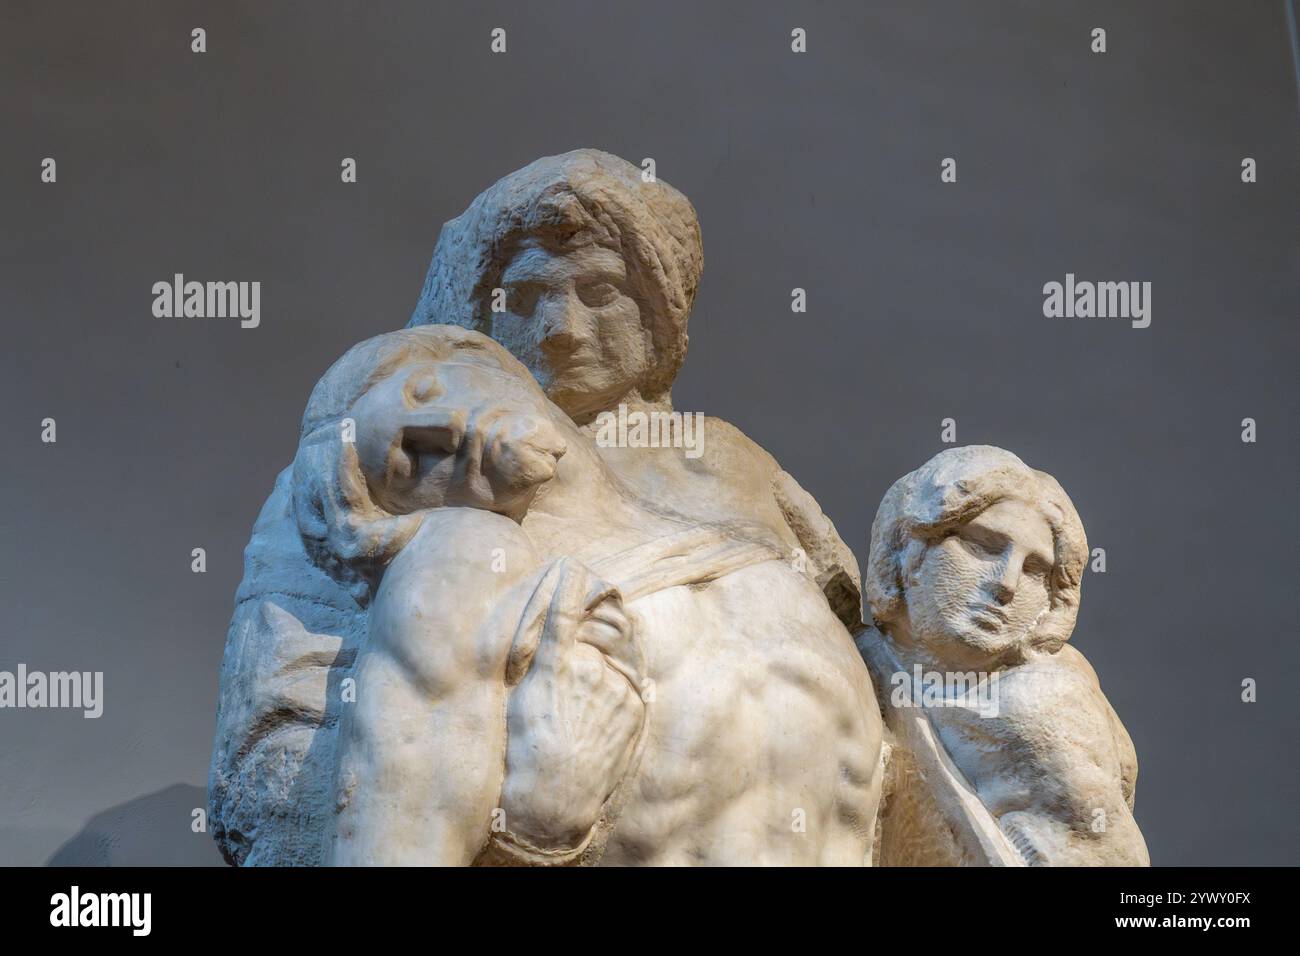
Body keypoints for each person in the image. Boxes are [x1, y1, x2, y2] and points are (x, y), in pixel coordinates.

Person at [859, 445, 1149, 866]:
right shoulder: (859, 661)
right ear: (909, 548)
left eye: (1035, 570)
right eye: (983, 547)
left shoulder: (1040, 704)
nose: (1007, 584)